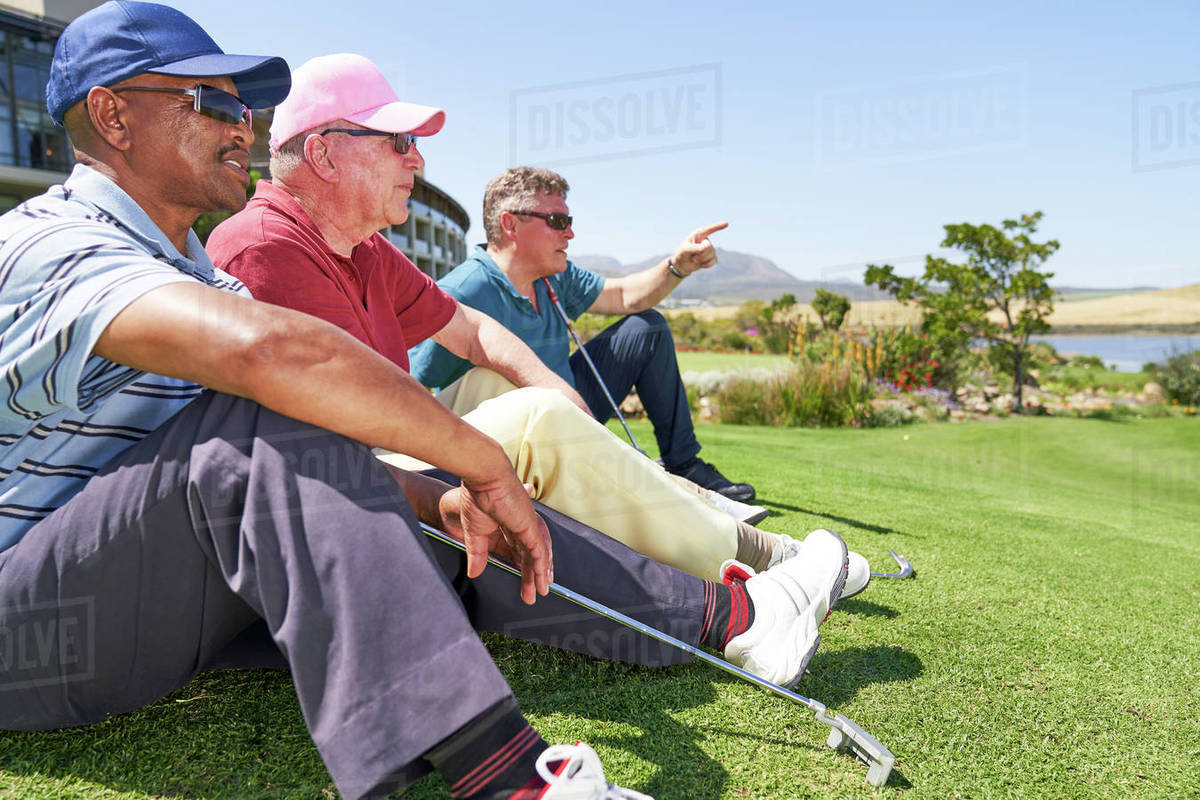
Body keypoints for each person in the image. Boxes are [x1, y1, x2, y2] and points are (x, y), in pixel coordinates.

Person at [0, 6, 851, 800]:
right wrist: (478, 461)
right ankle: (507, 778)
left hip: (143, 601)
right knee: (278, 409)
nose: (242, 129)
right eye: (209, 104)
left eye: (245, 110)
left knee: (431, 510)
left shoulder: (195, 270)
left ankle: (735, 615)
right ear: (112, 118)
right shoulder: (50, 240)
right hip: (29, 636)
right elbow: (271, 357)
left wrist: (441, 494)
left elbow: (307, 446)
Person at [208, 53, 871, 589]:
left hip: (383, 459)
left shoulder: (366, 250)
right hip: (348, 491)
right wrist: (518, 426)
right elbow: (340, 423)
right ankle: (759, 560)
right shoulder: (264, 245)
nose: (418, 160)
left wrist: (550, 384)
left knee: (530, 398)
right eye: (399, 142)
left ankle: (695, 523)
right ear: (324, 155)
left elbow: (472, 332)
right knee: (532, 418)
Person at [408, 167, 758, 502]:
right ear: (510, 224)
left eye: (569, 222)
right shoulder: (461, 292)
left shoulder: (556, 274)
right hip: (509, 438)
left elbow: (623, 296)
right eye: (558, 222)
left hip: (573, 407)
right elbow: (416, 384)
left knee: (646, 327)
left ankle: (683, 463)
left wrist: (678, 266)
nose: (570, 233)